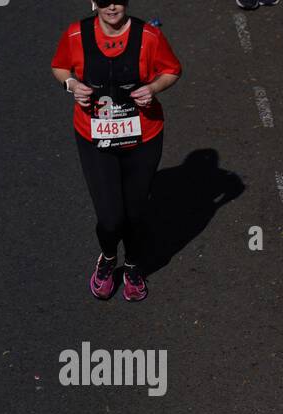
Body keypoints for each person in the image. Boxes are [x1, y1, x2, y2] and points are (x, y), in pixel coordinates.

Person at [51, 2, 182, 301]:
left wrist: (154, 88)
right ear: (94, 3)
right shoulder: (76, 35)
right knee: (111, 218)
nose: (112, 6)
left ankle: (133, 267)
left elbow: (173, 70)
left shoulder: (148, 36)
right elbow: (59, 66)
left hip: (143, 137)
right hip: (95, 138)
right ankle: (109, 259)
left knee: (135, 214)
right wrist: (71, 84)